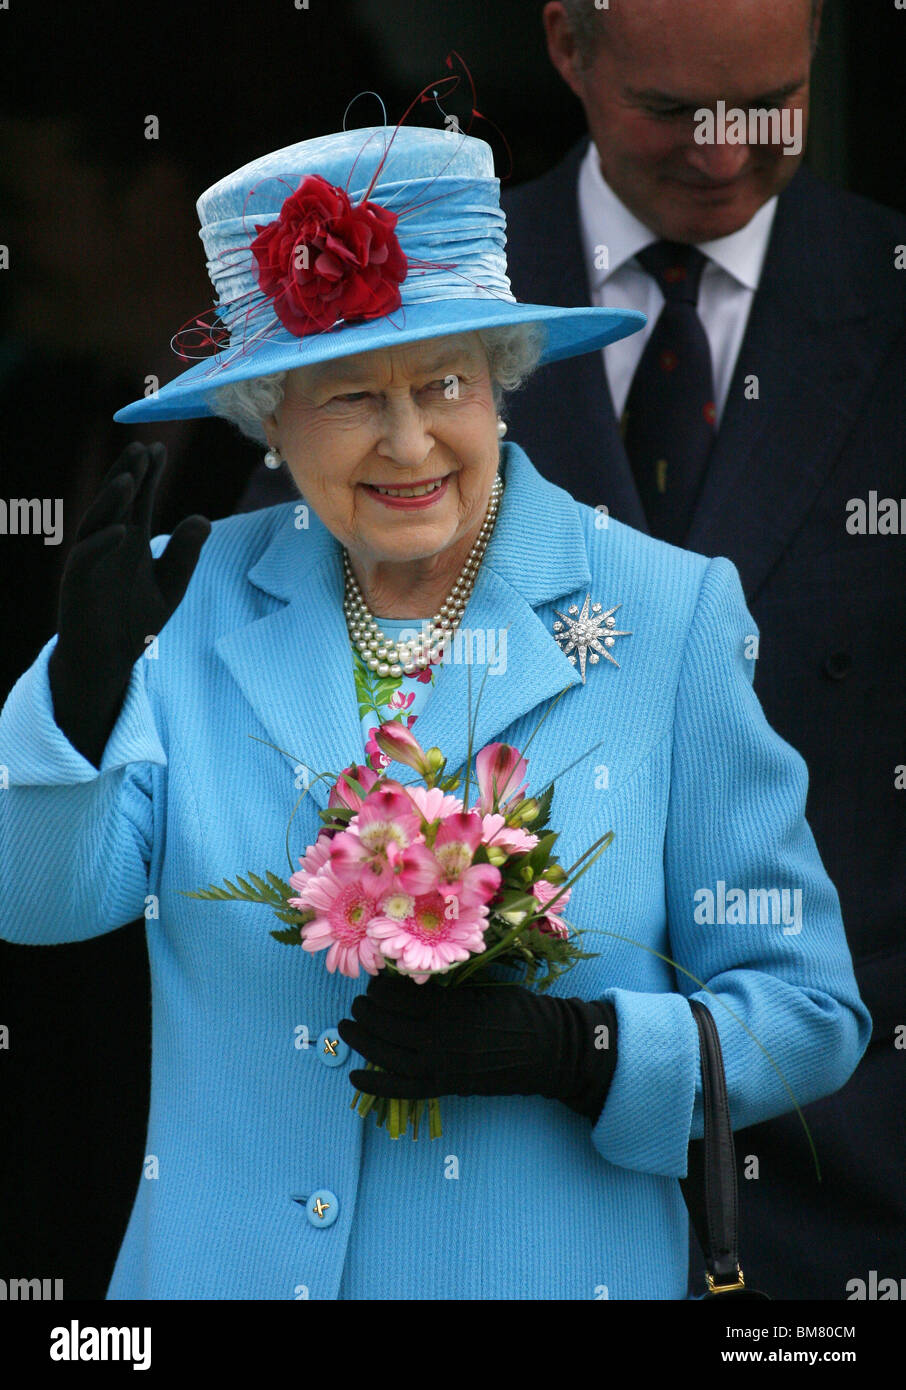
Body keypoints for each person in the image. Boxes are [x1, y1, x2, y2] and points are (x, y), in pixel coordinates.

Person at [0, 121, 870, 1300]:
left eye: (445, 383)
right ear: (270, 413)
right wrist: (75, 701)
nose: (409, 442)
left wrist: (587, 1050)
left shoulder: (667, 619)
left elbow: (807, 1012)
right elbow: (41, 908)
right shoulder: (180, 601)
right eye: (353, 394)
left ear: (501, 377)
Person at [239, 0, 906, 1301]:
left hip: (848, 1155)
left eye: (767, 105)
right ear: (567, 47)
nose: (722, 150)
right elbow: (280, 687)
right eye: (672, 109)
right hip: (476, 1172)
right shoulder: (419, 281)